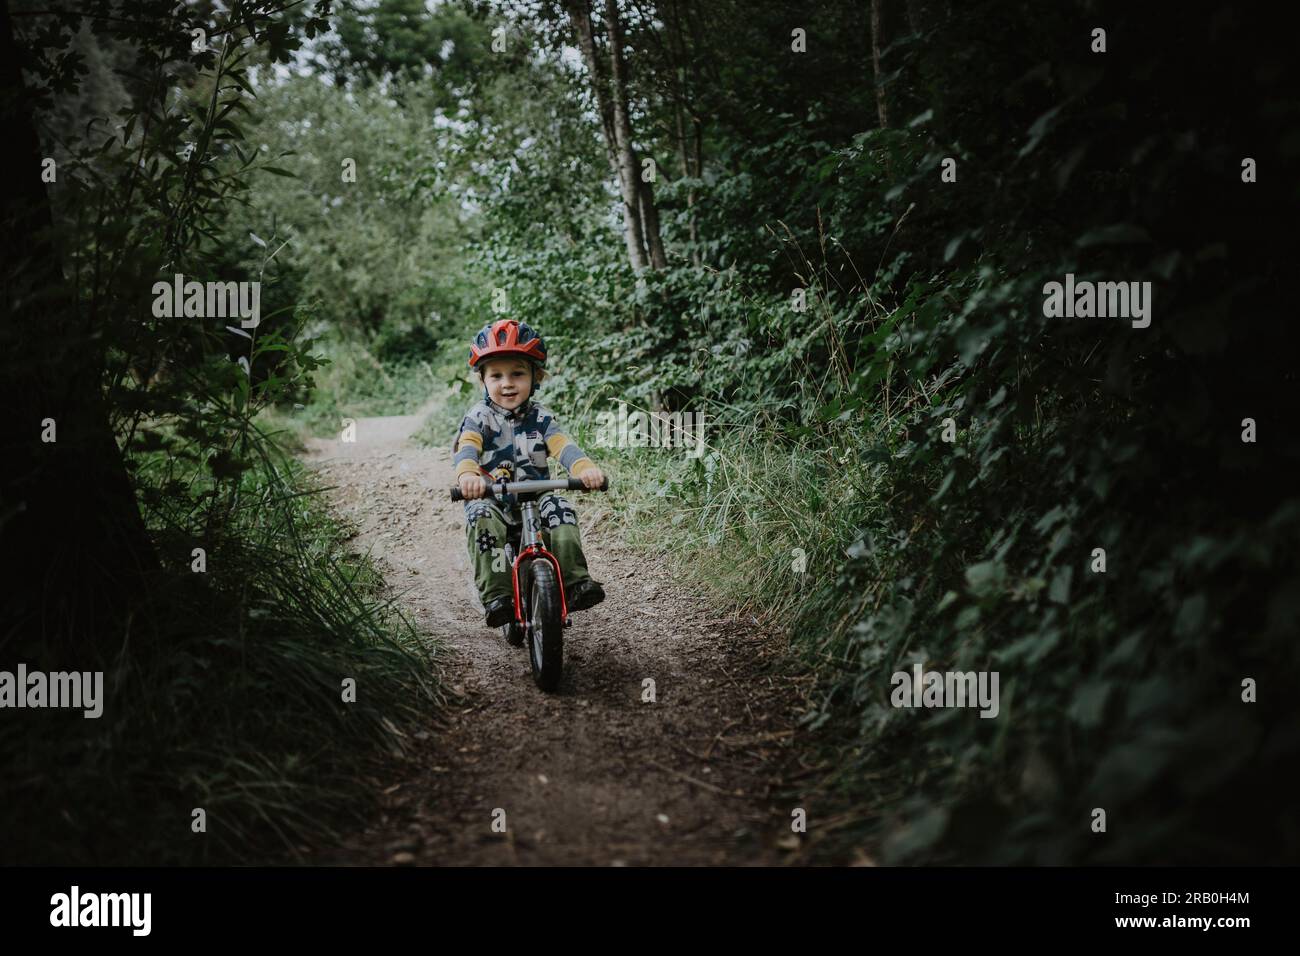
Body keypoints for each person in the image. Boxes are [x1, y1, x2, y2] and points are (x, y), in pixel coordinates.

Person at [453, 318, 606, 627]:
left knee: (561, 510)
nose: (507, 383)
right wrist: (468, 476)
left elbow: (563, 446)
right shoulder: (478, 418)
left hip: (536, 496)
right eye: (496, 375)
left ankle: (575, 582)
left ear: (536, 377)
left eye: (517, 374)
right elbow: (467, 447)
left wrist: (585, 468)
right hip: (492, 498)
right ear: (482, 380)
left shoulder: (542, 418)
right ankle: (498, 597)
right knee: (479, 515)